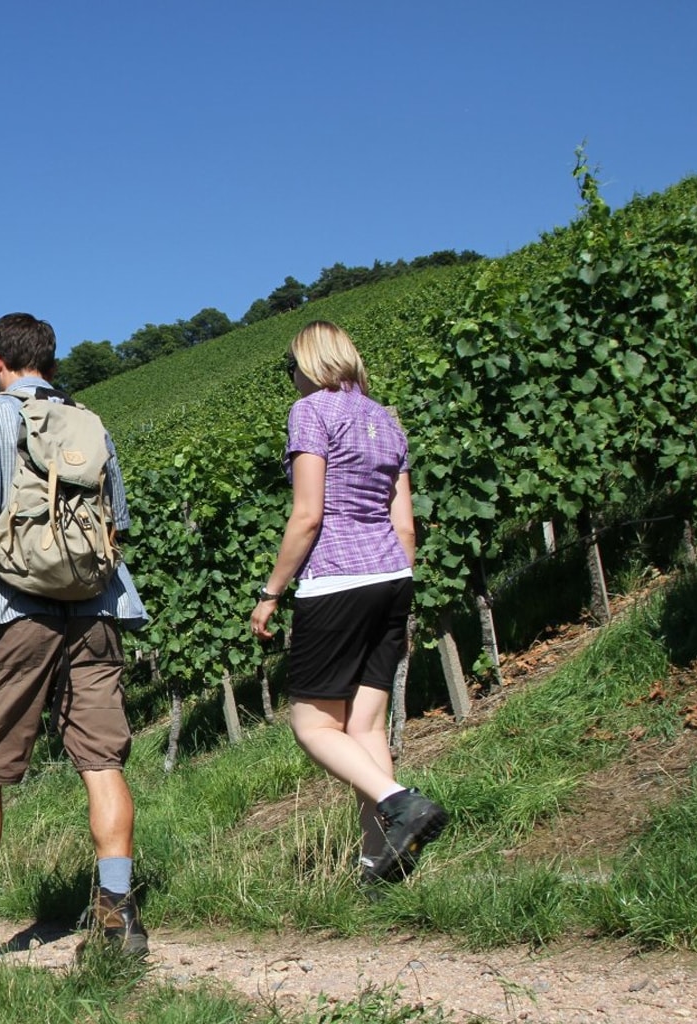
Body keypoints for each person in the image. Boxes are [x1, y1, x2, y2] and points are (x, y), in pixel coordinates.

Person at [0, 312, 149, 958]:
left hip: (16, 608)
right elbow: (118, 524)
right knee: (102, 760)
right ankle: (116, 917)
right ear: (51, 363)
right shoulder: (90, 422)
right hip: (96, 606)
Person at [249, 320, 447, 885]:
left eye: (291, 368)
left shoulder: (310, 412)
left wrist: (271, 594)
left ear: (308, 364)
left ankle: (399, 801)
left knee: (312, 726)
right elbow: (404, 525)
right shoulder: (387, 420)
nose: (292, 380)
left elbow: (308, 514)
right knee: (365, 728)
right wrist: (399, 588)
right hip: (392, 575)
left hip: (337, 578)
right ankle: (380, 862)